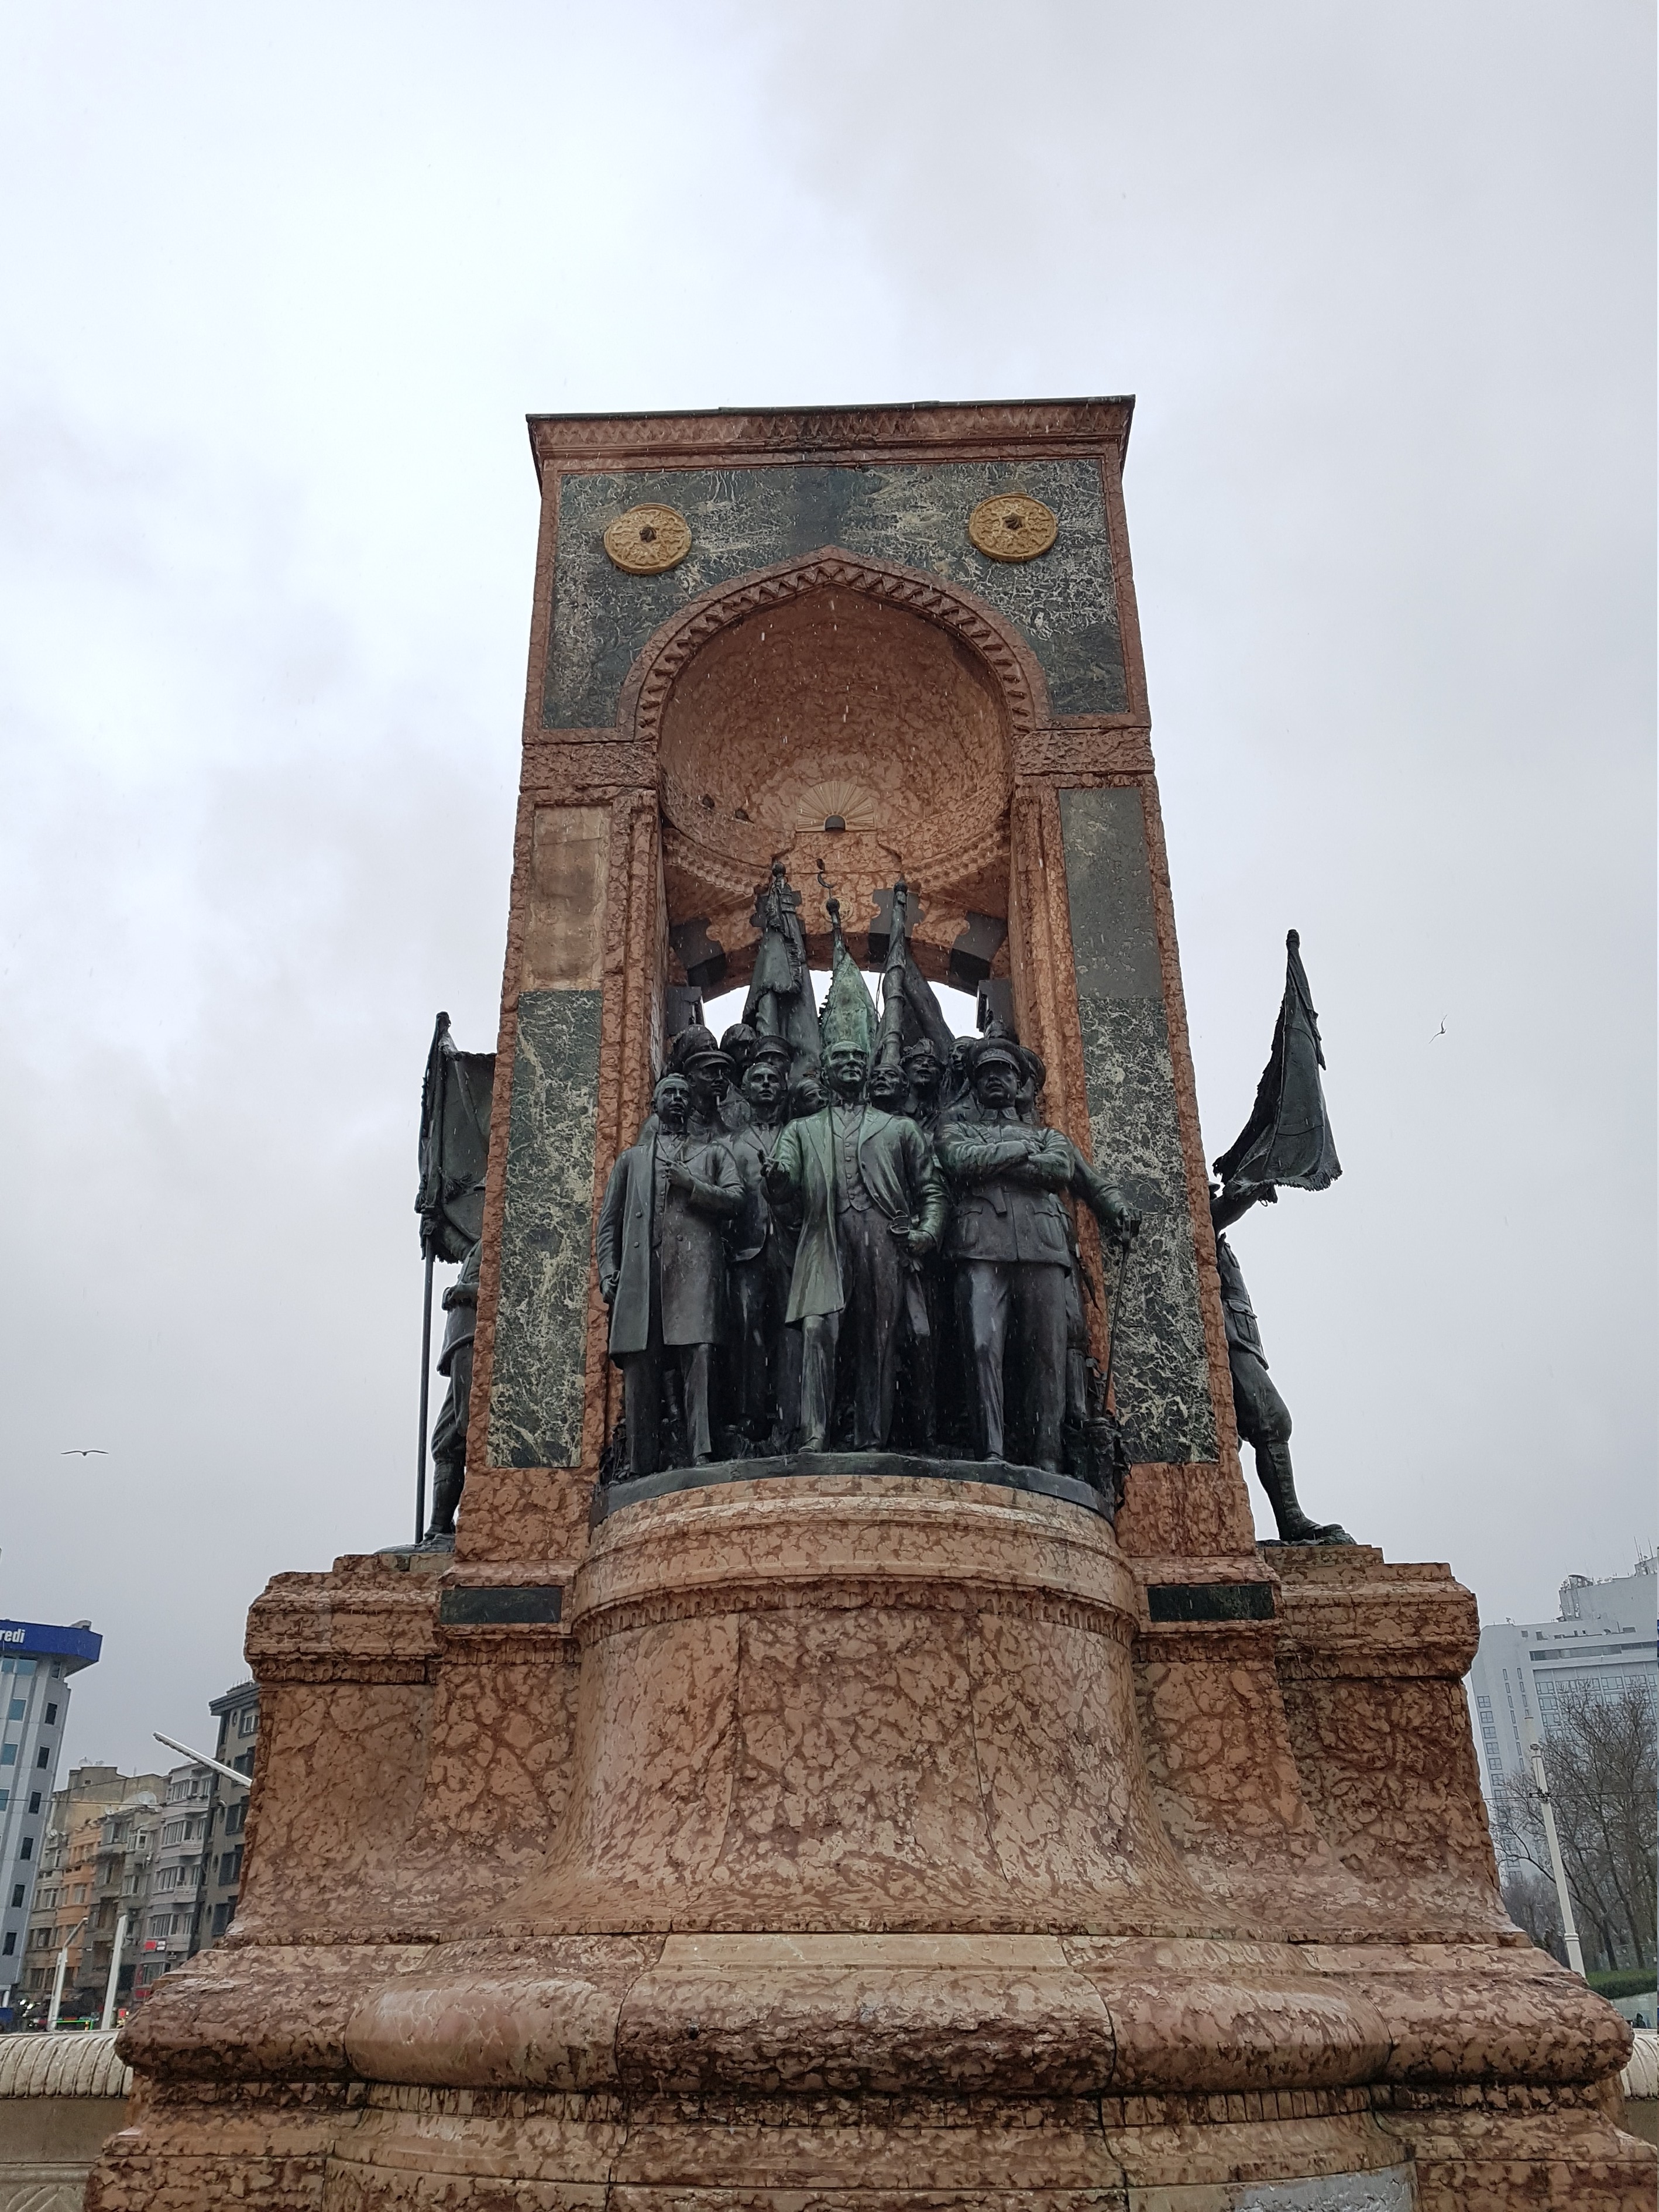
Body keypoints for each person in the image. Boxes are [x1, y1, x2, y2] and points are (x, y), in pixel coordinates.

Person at [764, 967, 947, 1452]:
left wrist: (926, 1233)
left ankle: (871, 1437)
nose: (849, 1064)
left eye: (856, 1058)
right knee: (818, 1330)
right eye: (840, 1057)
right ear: (825, 1069)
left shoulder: (898, 1128)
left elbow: (932, 1189)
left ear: (867, 1068)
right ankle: (815, 1433)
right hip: (824, 1236)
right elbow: (782, 1182)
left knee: (877, 1339)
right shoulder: (801, 1131)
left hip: (883, 1239)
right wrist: (777, 1181)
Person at [935, 1037, 1087, 1471]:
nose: (994, 1081)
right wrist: (1020, 1153)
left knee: (1046, 1356)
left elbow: (1059, 1170)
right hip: (981, 1247)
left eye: (1003, 1074)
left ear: (1020, 1084)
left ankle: (1048, 1457)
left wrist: (994, 1160)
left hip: (1042, 1249)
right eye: (985, 1075)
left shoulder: (1049, 1136)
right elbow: (958, 1160)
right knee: (982, 1347)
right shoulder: (955, 1126)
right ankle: (992, 1451)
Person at [596, 1073, 740, 1474]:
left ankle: (702, 1451)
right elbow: (608, 1224)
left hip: (694, 1269)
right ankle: (643, 1461)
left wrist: (691, 1184)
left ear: (691, 1103)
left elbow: (736, 1199)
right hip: (643, 1275)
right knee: (642, 1365)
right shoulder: (631, 1161)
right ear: (655, 1104)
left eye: (682, 1093)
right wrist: (608, 1270)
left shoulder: (711, 1152)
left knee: (699, 1354)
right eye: (668, 1093)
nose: (676, 1099)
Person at [1210, 1181, 1352, 1544]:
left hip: (1235, 1339)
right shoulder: (1191, 1221)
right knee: (1270, 1420)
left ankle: (1235, 1528)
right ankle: (1284, 1521)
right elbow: (1216, 1213)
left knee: (1240, 1433)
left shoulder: (1214, 1238)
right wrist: (1253, 1186)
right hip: (1221, 1337)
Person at [723, 1036, 801, 1450]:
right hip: (746, 1250)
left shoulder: (799, 1134)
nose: (767, 1085)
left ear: (784, 1087)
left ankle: (792, 1416)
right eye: (760, 1079)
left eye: (774, 1079)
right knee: (748, 1331)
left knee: (792, 1330)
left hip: (790, 1246)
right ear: (747, 1089)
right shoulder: (729, 1143)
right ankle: (751, 1416)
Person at [423, 1234, 479, 1544]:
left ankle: (477, 1518)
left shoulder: (508, 1235)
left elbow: (517, 1285)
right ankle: (439, 1529)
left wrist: (466, 1292)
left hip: (474, 1339)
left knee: (470, 1430)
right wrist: (434, 1223)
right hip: (462, 1342)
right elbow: (458, 1244)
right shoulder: (480, 1244)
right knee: (447, 1440)